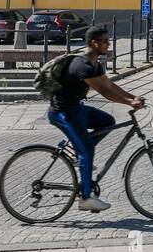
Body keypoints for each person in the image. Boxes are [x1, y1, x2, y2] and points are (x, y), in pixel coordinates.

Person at [47, 24, 145, 212]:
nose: (109, 44)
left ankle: (76, 149)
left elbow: (110, 84)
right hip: (62, 112)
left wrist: (133, 98)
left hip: (76, 108)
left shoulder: (95, 63)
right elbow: (104, 91)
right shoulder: (82, 65)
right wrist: (129, 103)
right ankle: (86, 197)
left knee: (107, 122)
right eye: (105, 41)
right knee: (87, 150)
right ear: (94, 43)